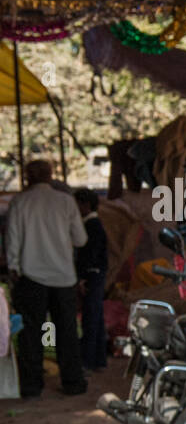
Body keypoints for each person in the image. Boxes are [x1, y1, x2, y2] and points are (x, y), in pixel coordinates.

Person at [4, 160, 87, 397]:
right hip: (64, 276)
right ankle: (73, 382)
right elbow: (80, 240)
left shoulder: (20, 202)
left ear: (27, 177)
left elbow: (12, 239)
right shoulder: (66, 201)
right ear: (51, 176)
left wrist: (14, 267)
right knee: (67, 330)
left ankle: (32, 386)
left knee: (32, 333)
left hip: (31, 277)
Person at [74, 188, 109, 372]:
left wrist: (84, 278)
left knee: (91, 319)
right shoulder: (93, 224)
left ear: (86, 205)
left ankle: (88, 361)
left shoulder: (92, 226)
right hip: (95, 274)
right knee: (96, 318)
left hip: (92, 275)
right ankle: (98, 359)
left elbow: (91, 254)